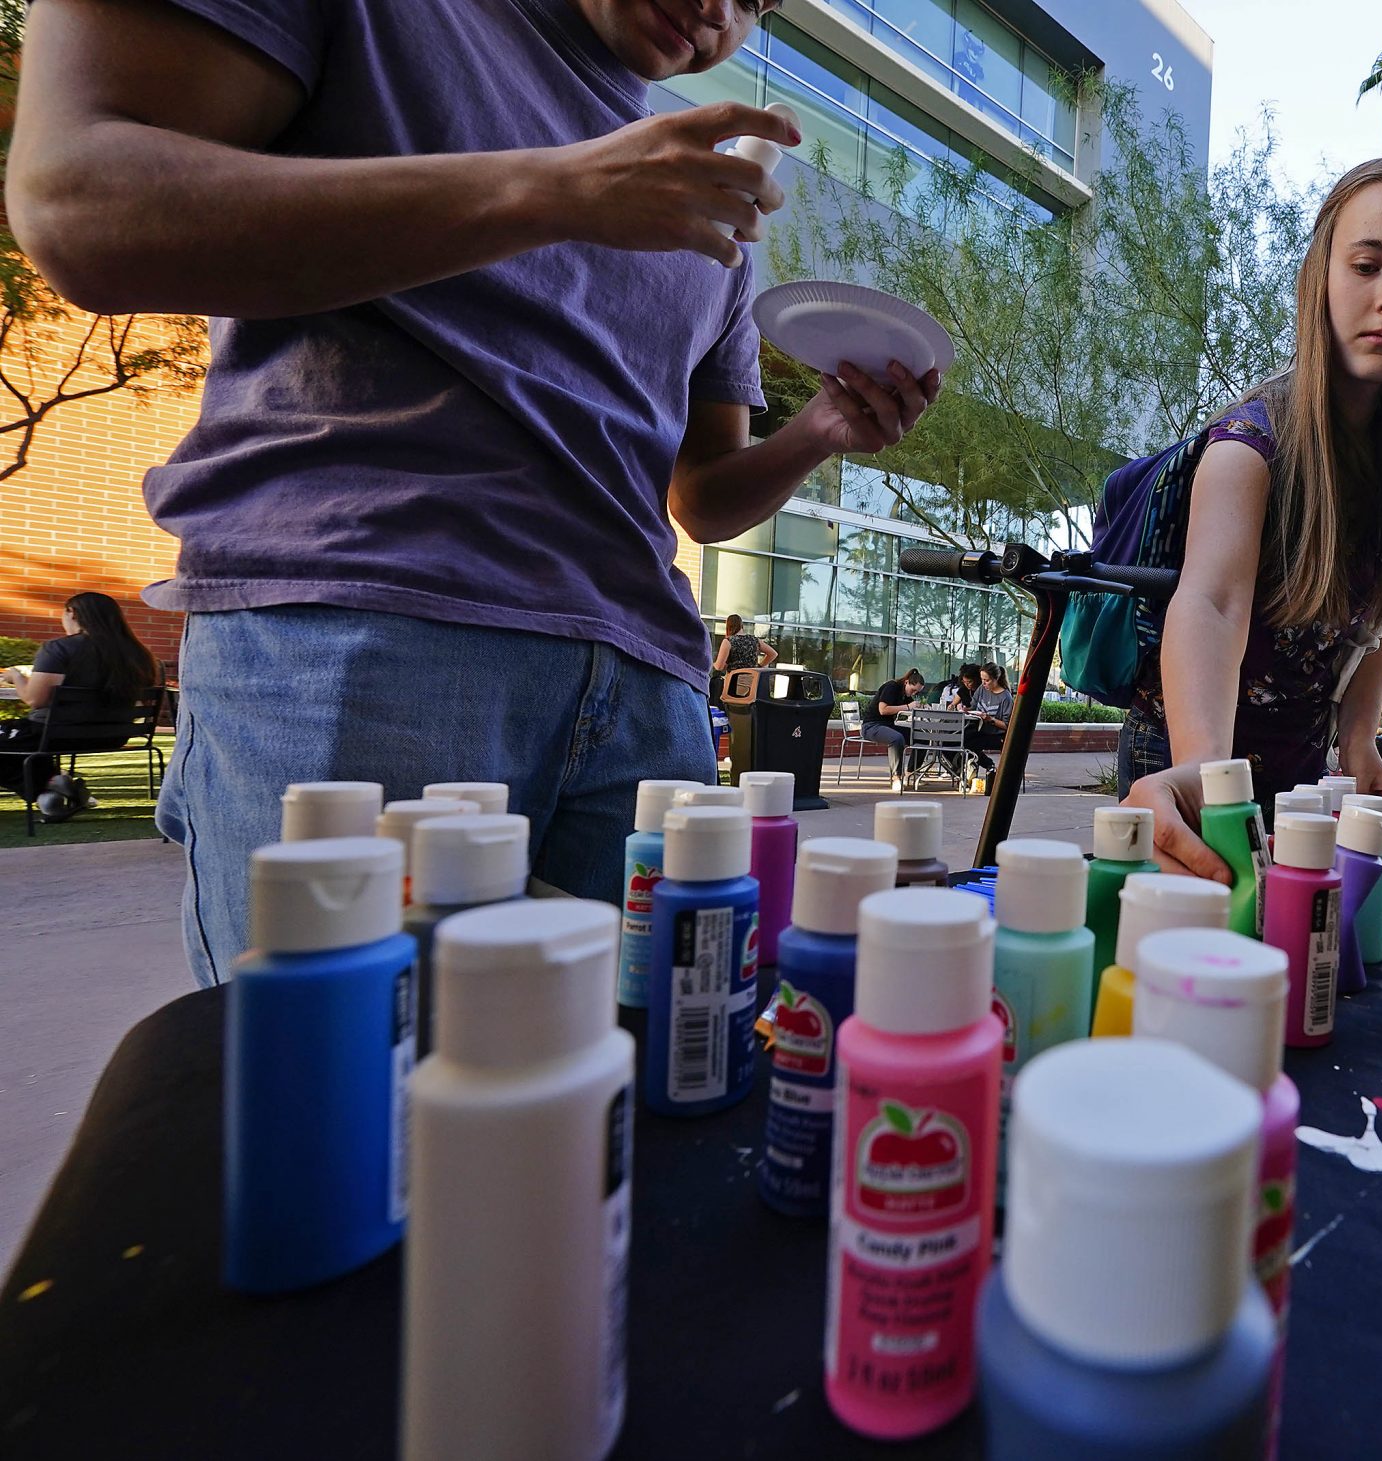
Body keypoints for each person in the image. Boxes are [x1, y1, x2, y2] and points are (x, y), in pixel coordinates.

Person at [8, 0, 940, 982]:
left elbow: (700, 496)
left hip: (643, 687)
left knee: (635, 1102)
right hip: (368, 634)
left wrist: (824, 430)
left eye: (757, 2)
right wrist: (550, 188)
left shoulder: (704, 197)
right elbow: (77, 206)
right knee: (348, 1102)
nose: (718, 12)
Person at [1118, 156, 1382, 878]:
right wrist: (1203, 765)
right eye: (1367, 264)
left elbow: (1375, 624)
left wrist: (1360, 740)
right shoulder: (1251, 444)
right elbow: (1211, 601)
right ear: (1321, 273)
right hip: (1185, 763)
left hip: (1304, 771)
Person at [0, 592, 161, 811]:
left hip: (54, 735)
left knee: (20, 741)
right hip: (113, 736)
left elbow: (34, 699)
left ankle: (47, 790)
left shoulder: (59, 649)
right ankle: (54, 785)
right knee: (20, 743)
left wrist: (16, 676)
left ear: (72, 613)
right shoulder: (138, 653)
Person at [861, 668, 924, 791]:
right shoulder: (891, 687)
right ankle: (897, 777)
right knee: (896, 738)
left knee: (922, 737)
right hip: (871, 725)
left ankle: (910, 774)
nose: (914, 694)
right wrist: (907, 707)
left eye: (917, 692)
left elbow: (911, 709)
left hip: (889, 725)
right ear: (906, 682)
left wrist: (923, 707)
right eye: (913, 690)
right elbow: (883, 710)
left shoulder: (906, 694)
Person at [967, 663, 1013, 777]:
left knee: (968, 743)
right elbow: (972, 707)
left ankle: (987, 765)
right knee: (959, 739)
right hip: (978, 729)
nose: (983, 683)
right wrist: (964, 709)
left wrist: (990, 719)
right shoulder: (982, 689)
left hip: (996, 734)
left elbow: (1007, 725)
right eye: (982, 679)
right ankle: (967, 769)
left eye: (986, 680)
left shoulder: (1006, 697)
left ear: (995, 679)